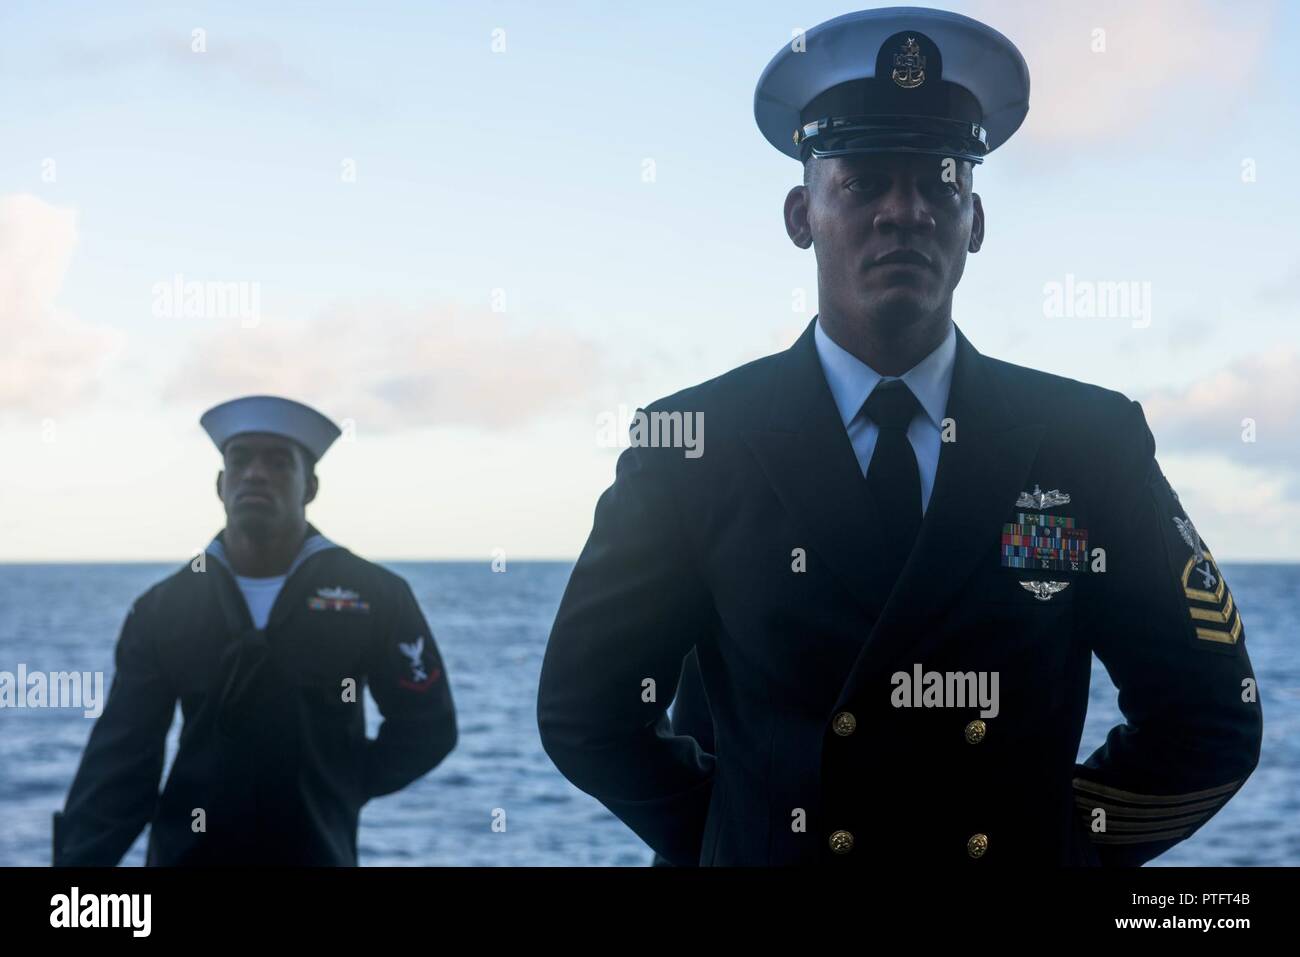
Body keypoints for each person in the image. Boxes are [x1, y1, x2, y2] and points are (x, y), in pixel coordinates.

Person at [537, 7, 1262, 866]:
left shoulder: (1086, 440)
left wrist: (1059, 845)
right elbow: (586, 711)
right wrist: (741, 839)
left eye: (938, 184)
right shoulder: (691, 444)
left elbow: (1211, 714)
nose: (904, 212)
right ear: (801, 213)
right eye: (867, 180)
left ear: (976, 223)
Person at [55, 395, 457, 865]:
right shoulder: (163, 608)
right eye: (240, 459)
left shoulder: (375, 596)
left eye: (279, 462)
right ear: (221, 483)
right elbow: (122, 758)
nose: (256, 473)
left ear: (311, 486)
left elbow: (427, 726)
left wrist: (340, 783)